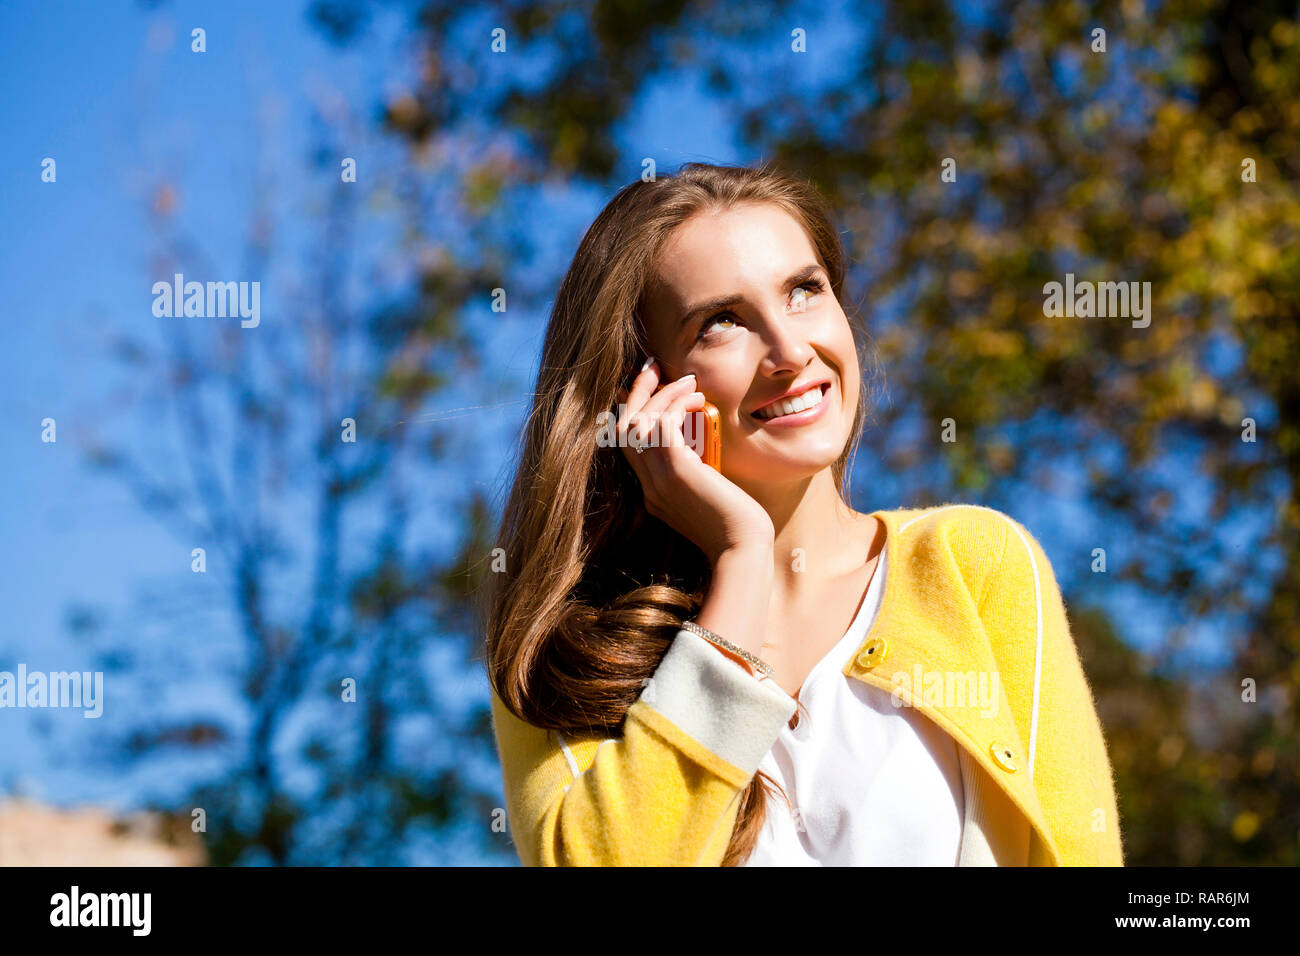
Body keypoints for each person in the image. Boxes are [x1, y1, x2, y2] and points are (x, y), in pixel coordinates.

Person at [481, 161, 1123, 866]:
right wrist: (741, 560)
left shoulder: (973, 566)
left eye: (804, 291)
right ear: (642, 387)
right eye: (722, 323)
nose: (790, 351)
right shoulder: (565, 652)